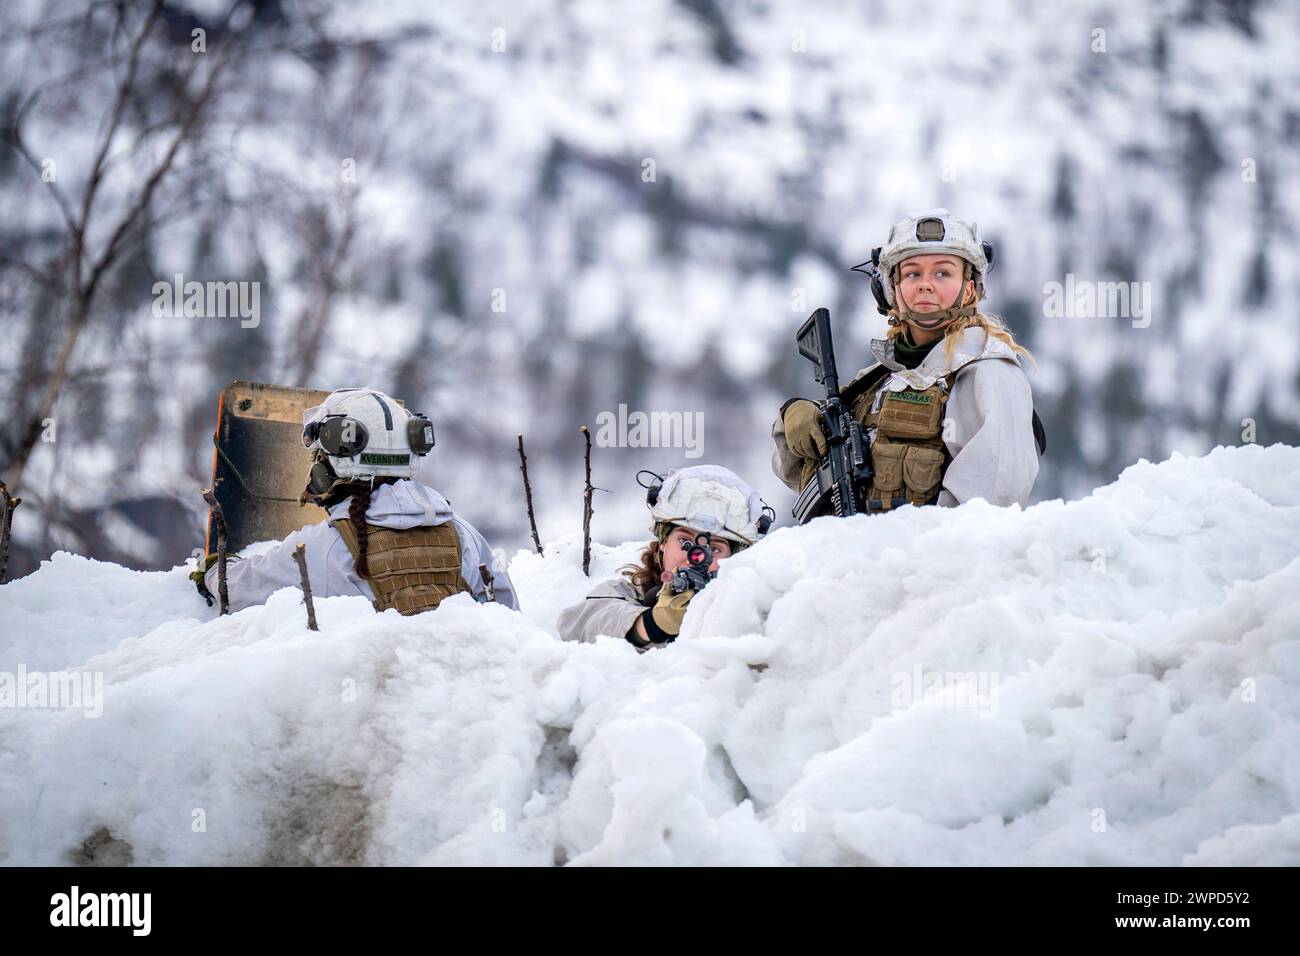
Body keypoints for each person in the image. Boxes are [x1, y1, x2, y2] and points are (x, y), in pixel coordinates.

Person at [772, 208, 1043, 510]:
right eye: (912, 273)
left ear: (969, 289)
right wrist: (796, 418)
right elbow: (798, 474)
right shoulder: (878, 381)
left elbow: (990, 508)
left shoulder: (987, 374)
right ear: (890, 289)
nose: (926, 284)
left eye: (943, 272)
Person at [192, 386, 517, 614]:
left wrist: (214, 567)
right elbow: (507, 615)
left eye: (318, 456)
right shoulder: (462, 533)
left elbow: (232, 589)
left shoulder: (325, 546)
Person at [556, 465, 773, 649]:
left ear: (733, 557)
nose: (695, 556)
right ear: (662, 544)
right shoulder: (625, 594)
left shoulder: (749, 601)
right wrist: (652, 625)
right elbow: (577, 625)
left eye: (714, 549)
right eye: (685, 542)